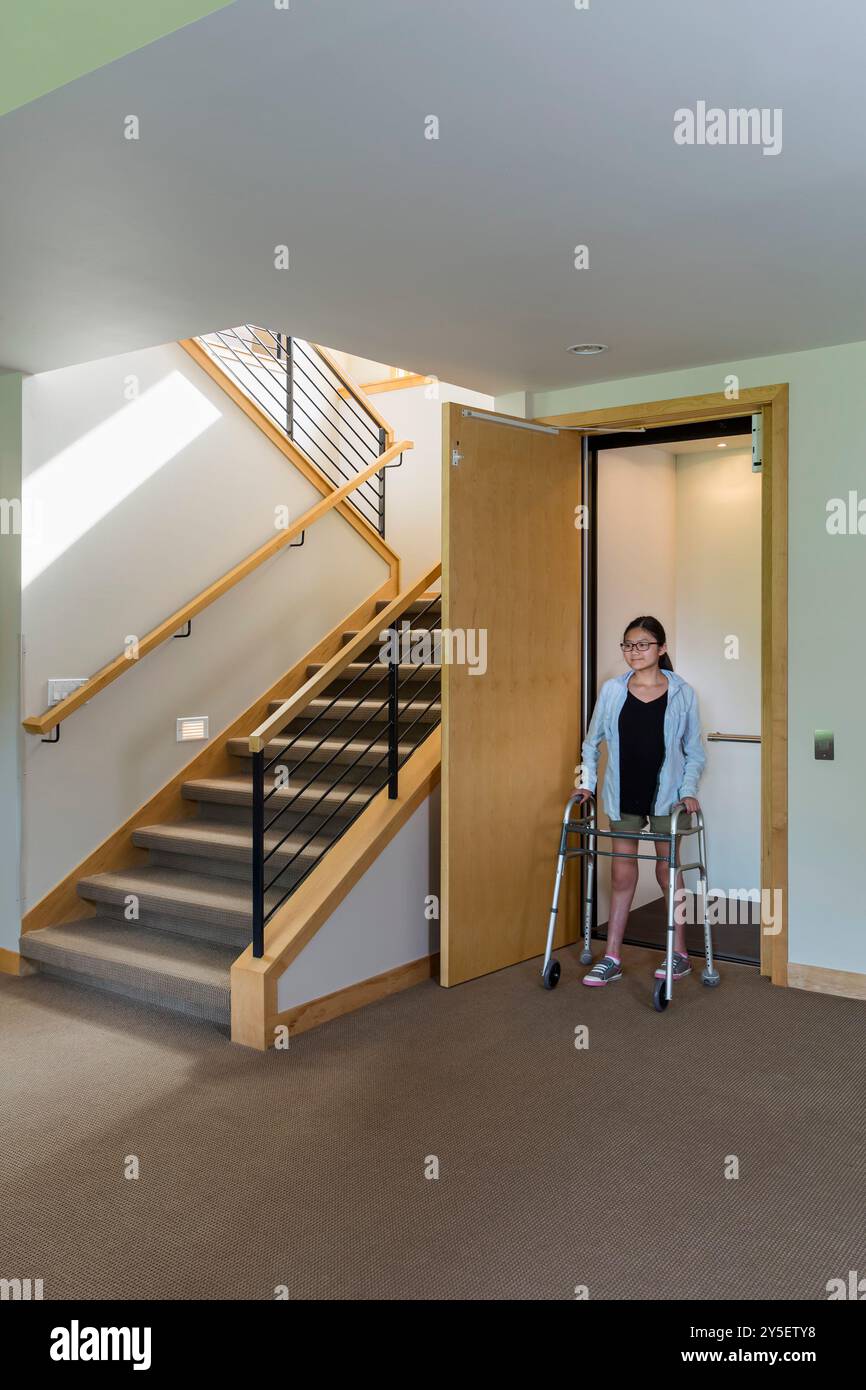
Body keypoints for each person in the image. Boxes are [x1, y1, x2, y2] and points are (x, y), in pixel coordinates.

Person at [574, 616, 706, 987]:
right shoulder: (612, 690)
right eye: (628, 645)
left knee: (667, 870)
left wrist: (689, 790)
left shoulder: (683, 692)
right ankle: (612, 956)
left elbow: (694, 752)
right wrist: (586, 784)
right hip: (624, 792)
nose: (635, 651)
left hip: (667, 797)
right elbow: (591, 743)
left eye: (643, 644)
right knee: (621, 872)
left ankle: (678, 954)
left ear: (661, 649)